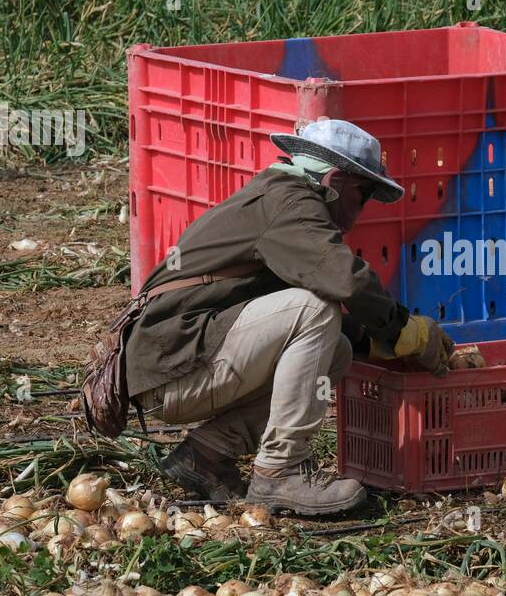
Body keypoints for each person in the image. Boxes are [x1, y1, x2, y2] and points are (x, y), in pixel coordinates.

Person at [124, 119, 454, 515]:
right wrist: (404, 330)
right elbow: (344, 281)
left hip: (176, 364)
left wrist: (374, 342)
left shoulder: (277, 199)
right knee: (314, 310)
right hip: (170, 368)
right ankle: (278, 472)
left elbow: (281, 306)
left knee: (337, 350)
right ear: (337, 180)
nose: (360, 212)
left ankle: (205, 455)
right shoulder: (290, 204)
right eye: (363, 196)